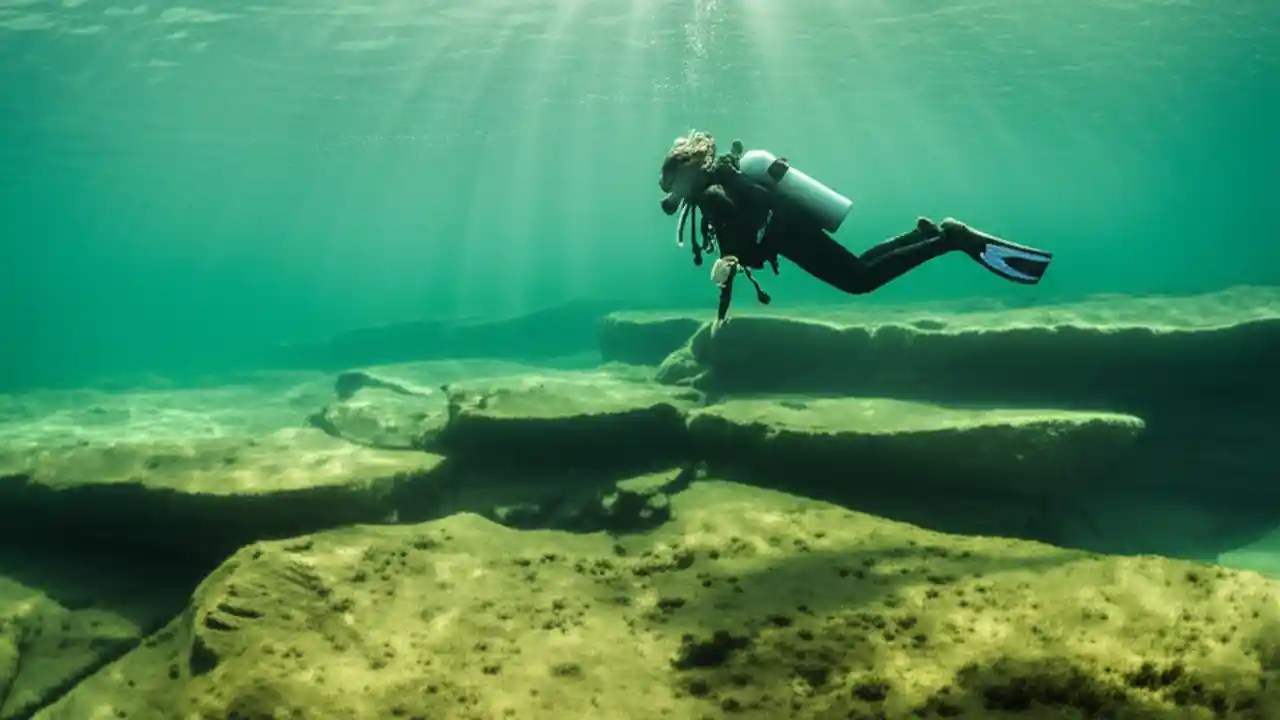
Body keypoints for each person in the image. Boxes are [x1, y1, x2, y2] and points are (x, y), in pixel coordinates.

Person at [657, 130, 1054, 322]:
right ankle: (923, 235)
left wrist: (743, 251)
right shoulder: (716, 185)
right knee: (859, 267)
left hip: (788, 233)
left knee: (859, 280)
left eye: (670, 184)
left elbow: (750, 218)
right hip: (789, 229)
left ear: (686, 174)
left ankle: (950, 239)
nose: (669, 195)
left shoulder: (711, 194)